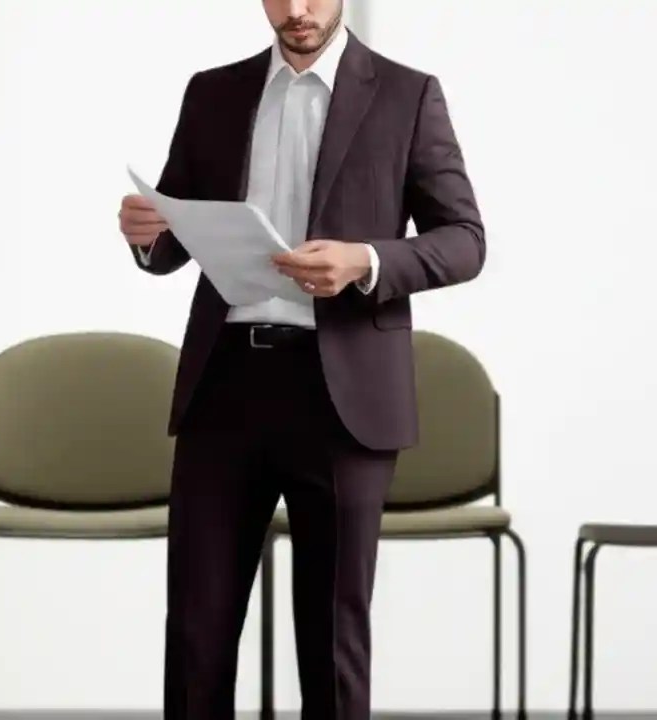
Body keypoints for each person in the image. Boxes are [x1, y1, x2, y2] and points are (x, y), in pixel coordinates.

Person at [117, 1, 484, 717]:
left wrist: (368, 259)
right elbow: (171, 243)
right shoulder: (213, 92)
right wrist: (145, 231)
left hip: (342, 396)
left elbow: (464, 239)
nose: (298, 10)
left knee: (331, 641)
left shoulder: (408, 95)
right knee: (196, 633)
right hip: (224, 387)